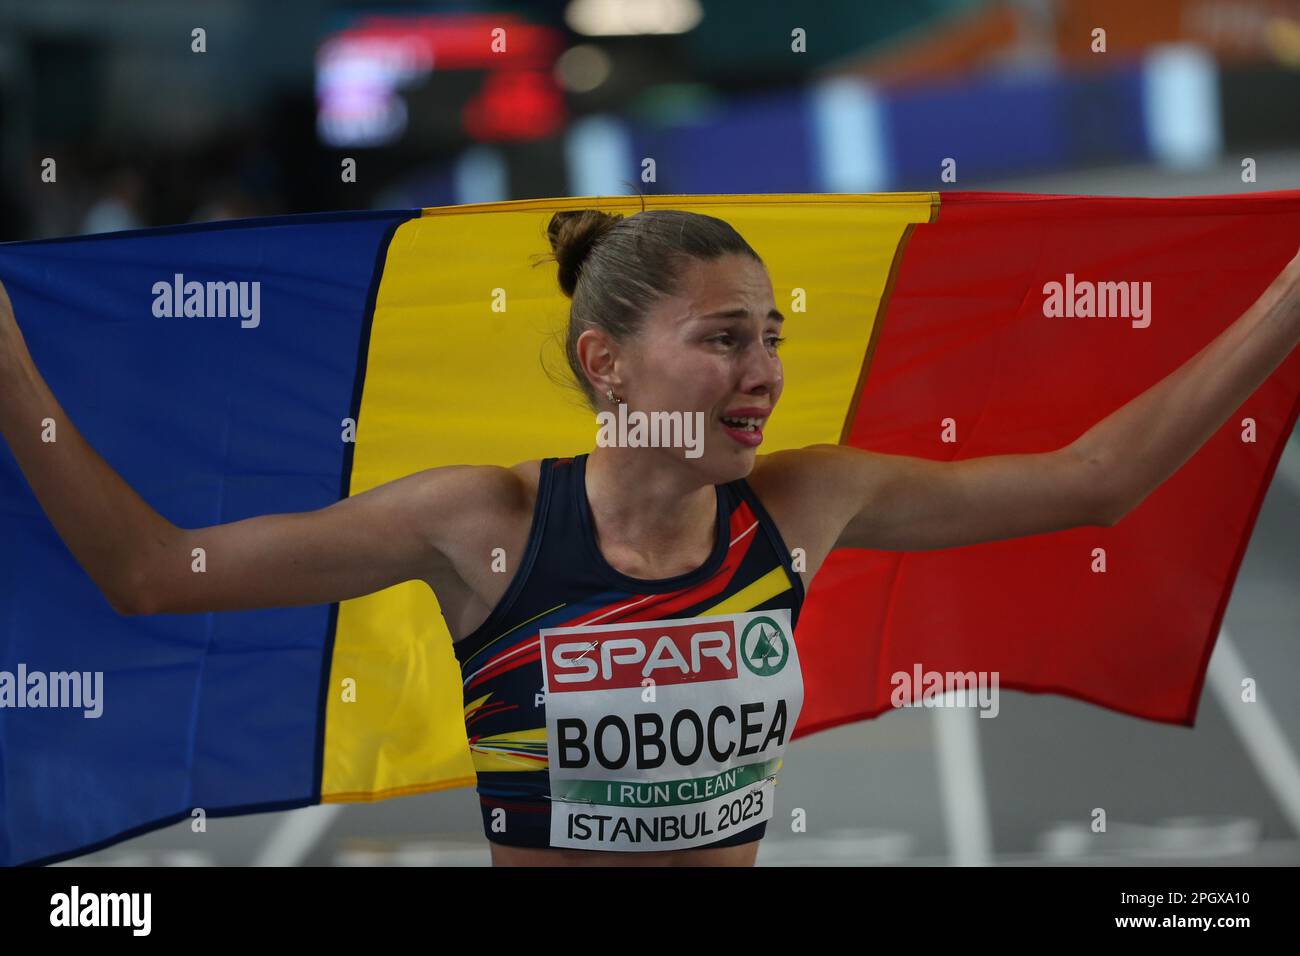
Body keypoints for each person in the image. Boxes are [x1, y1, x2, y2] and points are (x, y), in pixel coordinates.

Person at [1, 208, 1298, 868]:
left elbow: (1095, 483)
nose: (766, 372)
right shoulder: (481, 527)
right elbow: (152, 572)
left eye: (772, 334)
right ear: (605, 364)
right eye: (725, 337)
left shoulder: (808, 502)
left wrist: (1286, 303)